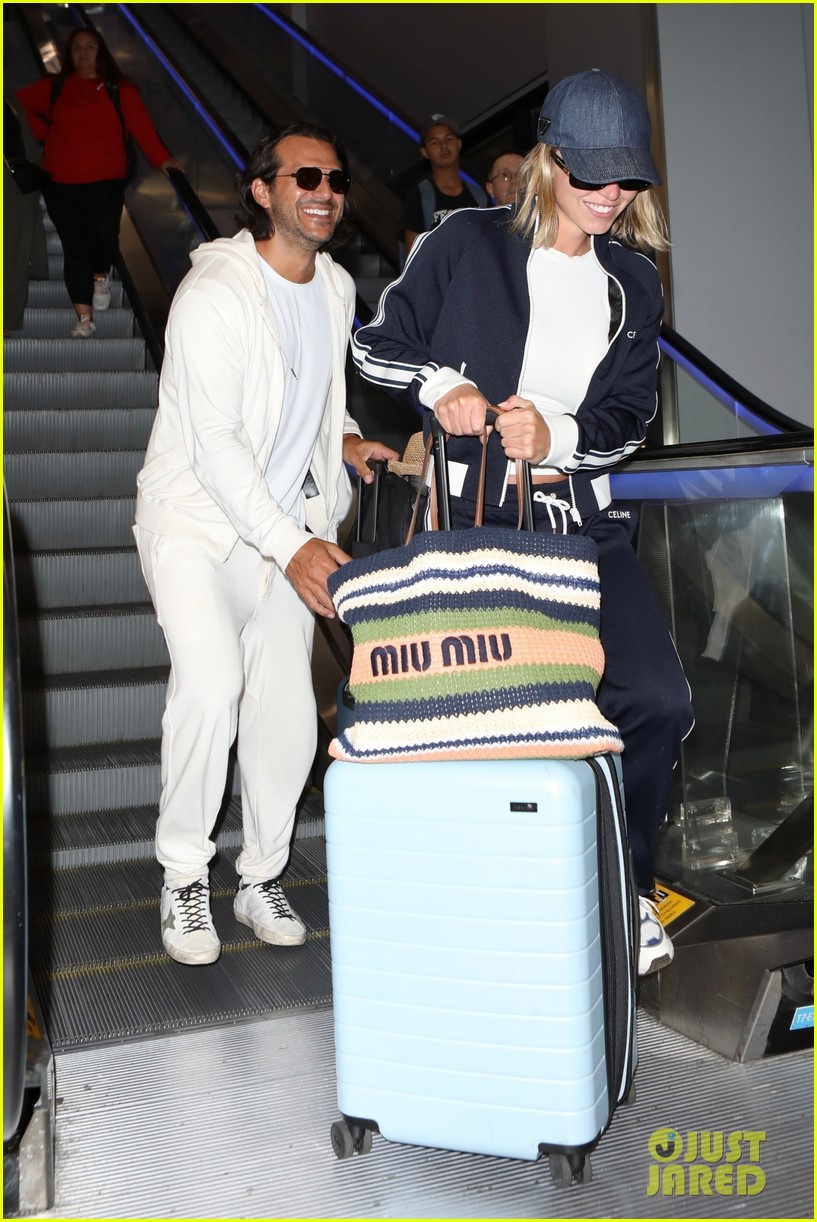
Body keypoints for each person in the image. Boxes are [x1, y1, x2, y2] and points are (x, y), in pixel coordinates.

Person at [353, 69, 695, 976]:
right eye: (591, 177)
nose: (610, 196)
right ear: (548, 162)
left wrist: (563, 434)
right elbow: (376, 343)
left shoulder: (631, 279)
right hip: (476, 523)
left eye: (625, 179)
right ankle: (478, 916)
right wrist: (444, 386)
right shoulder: (466, 241)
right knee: (483, 724)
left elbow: (629, 417)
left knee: (654, 700)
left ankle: (625, 889)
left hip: (583, 523)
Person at [134, 123, 398, 967]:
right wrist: (291, 545)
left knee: (285, 710)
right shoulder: (213, 294)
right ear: (263, 190)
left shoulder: (332, 288)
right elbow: (215, 443)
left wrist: (348, 438)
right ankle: (183, 875)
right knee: (211, 686)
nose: (324, 190)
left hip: (286, 524)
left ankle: (260, 875)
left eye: (336, 178)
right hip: (197, 525)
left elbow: (315, 395)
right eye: (304, 176)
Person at [15, 27, 181, 338]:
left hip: (107, 178)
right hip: (59, 181)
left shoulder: (119, 89)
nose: (83, 53)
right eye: (76, 48)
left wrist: (162, 160)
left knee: (104, 235)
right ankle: (83, 318)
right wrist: (42, 131)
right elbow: (13, 104)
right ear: (69, 54)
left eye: (90, 46)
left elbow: (143, 129)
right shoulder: (55, 86)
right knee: (74, 246)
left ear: (100, 51)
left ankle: (100, 275)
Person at [401, 114, 487, 255]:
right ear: (424, 151)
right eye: (435, 142)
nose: (444, 146)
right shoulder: (419, 197)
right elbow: (414, 258)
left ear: (459, 144)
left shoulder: (480, 196)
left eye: (449, 139)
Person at [3, 96, 48, 333]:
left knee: (13, 258)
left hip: (14, 192)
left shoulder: (12, 104)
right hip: (17, 191)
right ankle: (7, 322)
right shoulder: (12, 103)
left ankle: (7, 322)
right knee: (13, 258)